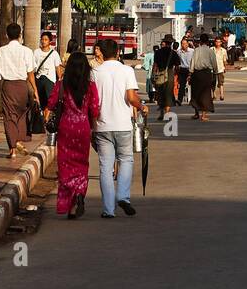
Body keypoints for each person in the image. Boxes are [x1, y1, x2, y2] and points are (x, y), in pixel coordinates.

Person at [91, 38, 143, 218]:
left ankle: (108, 209)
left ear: (101, 53)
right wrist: (142, 106)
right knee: (126, 160)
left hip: (102, 125)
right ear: (118, 52)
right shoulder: (127, 70)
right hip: (123, 124)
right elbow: (131, 97)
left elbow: (92, 101)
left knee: (105, 166)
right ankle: (123, 196)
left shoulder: (95, 72)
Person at [45, 52, 100, 218]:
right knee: (81, 164)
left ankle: (69, 203)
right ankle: (79, 193)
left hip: (66, 127)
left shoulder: (61, 85)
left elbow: (51, 104)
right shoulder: (90, 87)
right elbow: (95, 109)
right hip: (83, 127)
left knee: (65, 165)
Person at [0, 23, 38, 159]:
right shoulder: (27, 51)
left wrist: (4, 77)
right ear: (20, 35)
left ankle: (12, 149)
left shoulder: (1, 51)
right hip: (22, 86)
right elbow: (30, 72)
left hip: (8, 86)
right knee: (22, 114)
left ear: (7, 35)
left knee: (9, 116)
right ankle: (19, 140)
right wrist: (35, 90)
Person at [189, 33, 219, 120]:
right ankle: (203, 115)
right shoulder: (210, 51)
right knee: (205, 94)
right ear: (207, 42)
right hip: (206, 74)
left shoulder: (196, 50)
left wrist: (190, 73)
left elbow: (193, 62)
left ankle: (196, 113)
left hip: (197, 74)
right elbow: (214, 63)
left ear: (200, 41)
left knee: (195, 93)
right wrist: (216, 72)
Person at [151, 35, 180, 121]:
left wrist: (153, 74)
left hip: (160, 73)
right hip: (169, 73)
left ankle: (161, 113)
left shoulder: (158, 52)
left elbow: (155, 65)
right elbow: (177, 66)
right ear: (171, 43)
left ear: (164, 42)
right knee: (168, 93)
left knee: (160, 93)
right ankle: (167, 113)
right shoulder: (173, 53)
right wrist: (176, 74)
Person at [33, 32, 61, 109]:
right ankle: (41, 118)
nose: (43, 41)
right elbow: (33, 67)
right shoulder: (36, 52)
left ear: (50, 41)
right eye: (42, 39)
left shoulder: (54, 53)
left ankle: (46, 119)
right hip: (39, 79)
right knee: (40, 102)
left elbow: (57, 67)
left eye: (46, 39)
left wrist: (59, 80)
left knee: (49, 102)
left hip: (50, 80)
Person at [176, 36, 194, 105]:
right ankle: (179, 100)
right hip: (182, 70)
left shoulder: (192, 51)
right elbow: (177, 61)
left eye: (185, 44)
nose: (184, 45)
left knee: (192, 85)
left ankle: (192, 100)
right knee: (182, 85)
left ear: (187, 44)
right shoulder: (179, 52)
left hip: (190, 69)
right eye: (182, 44)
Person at [213, 35, 229, 101]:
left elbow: (224, 60)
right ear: (215, 42)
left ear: (221, 43)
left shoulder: (223, 50)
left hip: (220, 68)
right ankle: (213, 95)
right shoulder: (211, 49)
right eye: (216, 42)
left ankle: (222, 95)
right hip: (213, 69)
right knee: (213, 83)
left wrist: (225, 67)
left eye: (219, 42)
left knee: (221, 83)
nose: (218, 43)